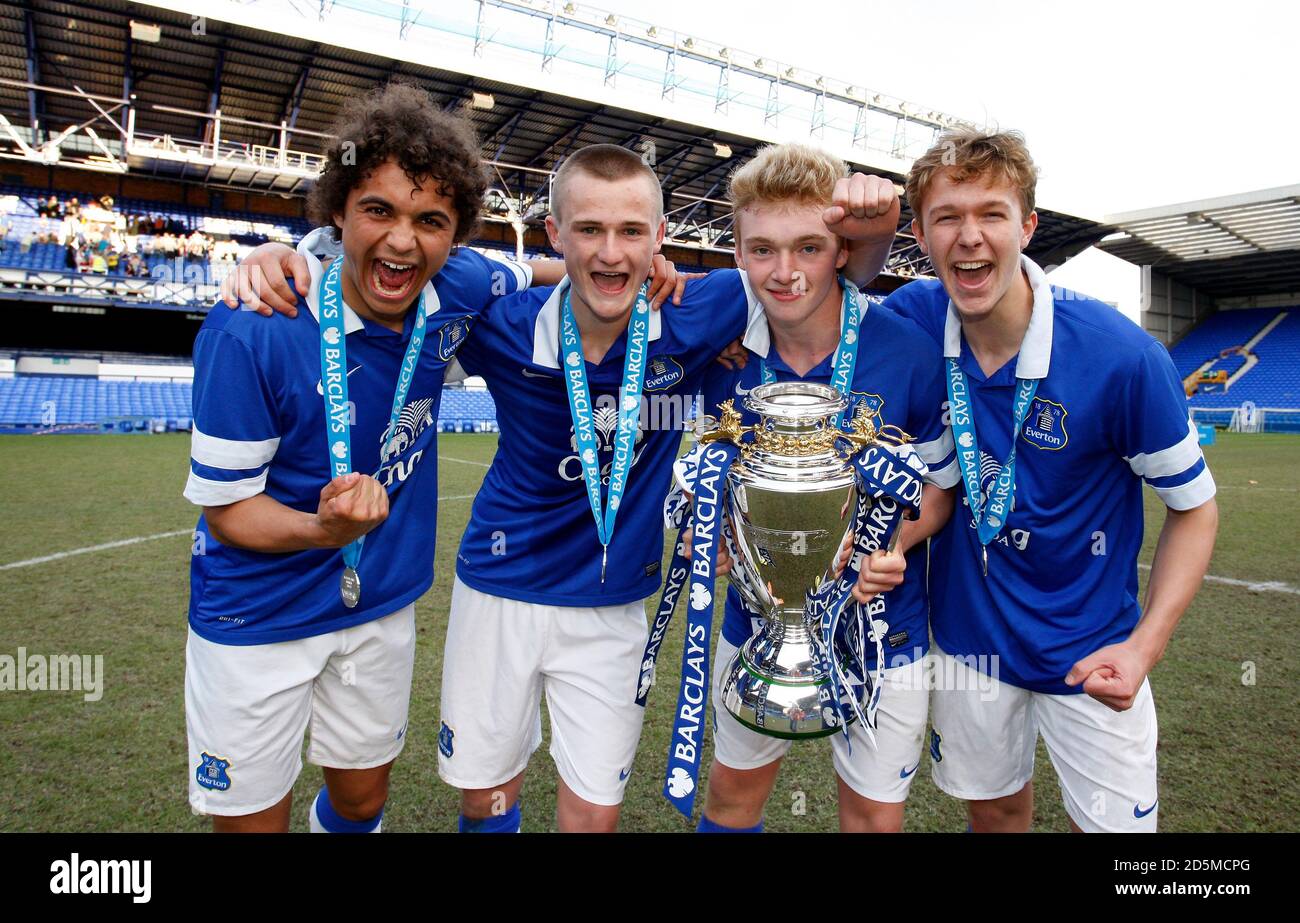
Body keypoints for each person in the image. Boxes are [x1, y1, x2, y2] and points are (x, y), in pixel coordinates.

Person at [230, 145, 898, 833]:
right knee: (487, 797)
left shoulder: (711, 306)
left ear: (660, 238)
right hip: (500, 588)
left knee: (594, 813)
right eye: (589, 230)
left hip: (613, 603)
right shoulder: (499, 317)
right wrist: (296, 253)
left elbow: (829, 279)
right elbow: (389, 252)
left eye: (632, 233)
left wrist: (875, 230)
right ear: (554, 234)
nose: (611, 254)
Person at [182, 82, 538, 834]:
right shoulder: (255, 327)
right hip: (255, 614)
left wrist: (650, 272)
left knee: (362, 801)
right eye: (379, 210)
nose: (404, 241)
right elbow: (228, 509)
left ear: (454, 237)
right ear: (338, 210)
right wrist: (322, 531)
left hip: (379, 604)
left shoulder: (461, 283)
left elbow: (549, 273)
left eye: (430, 221)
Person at [883, 128, 1219, 833]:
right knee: (997, 815)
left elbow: (1195, 509)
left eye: (991, 214)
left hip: (1091, 649)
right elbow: (812, 309)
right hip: (971, 645)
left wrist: (1144, 647)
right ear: (919, 232)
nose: (969, 237)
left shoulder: (1121, 355)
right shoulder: (914, 318)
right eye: (947, 217)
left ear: (1027, 227)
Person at [690, 143, 958, 834]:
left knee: (871, 816)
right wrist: (713, 535)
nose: (784, 273)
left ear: (841, 249)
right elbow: (711, 482)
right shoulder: (720, 352)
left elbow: (939, 492)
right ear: (738, 251)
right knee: (729, 797)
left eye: (808, 248)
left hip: (880, 629)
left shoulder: (907, 349)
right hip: (756, 626)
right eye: (762, 250)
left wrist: (884, 544)